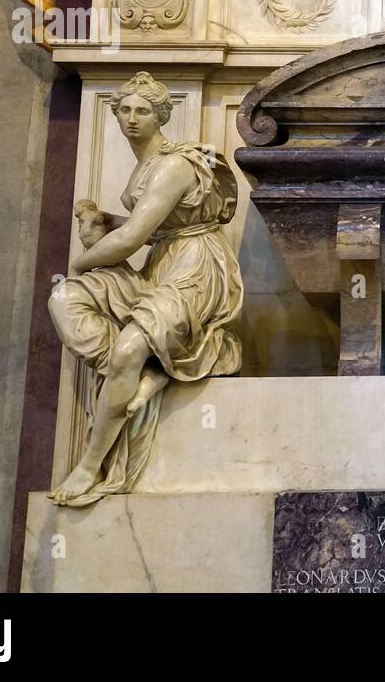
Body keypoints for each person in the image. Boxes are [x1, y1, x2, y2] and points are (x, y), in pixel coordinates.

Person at [48, 72, 243, 505]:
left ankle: (90, 464)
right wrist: (104, 224)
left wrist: (81, 261)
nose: (132, 119)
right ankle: (142, 370)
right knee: (65, 297)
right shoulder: (146, 165)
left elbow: (134, 238)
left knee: (127, 347)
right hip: (163, 264)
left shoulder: (174, 164)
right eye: (125, 110)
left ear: (160, 117)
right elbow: (150, 230)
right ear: (115, 115)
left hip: (196, 270)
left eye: (143, 111)